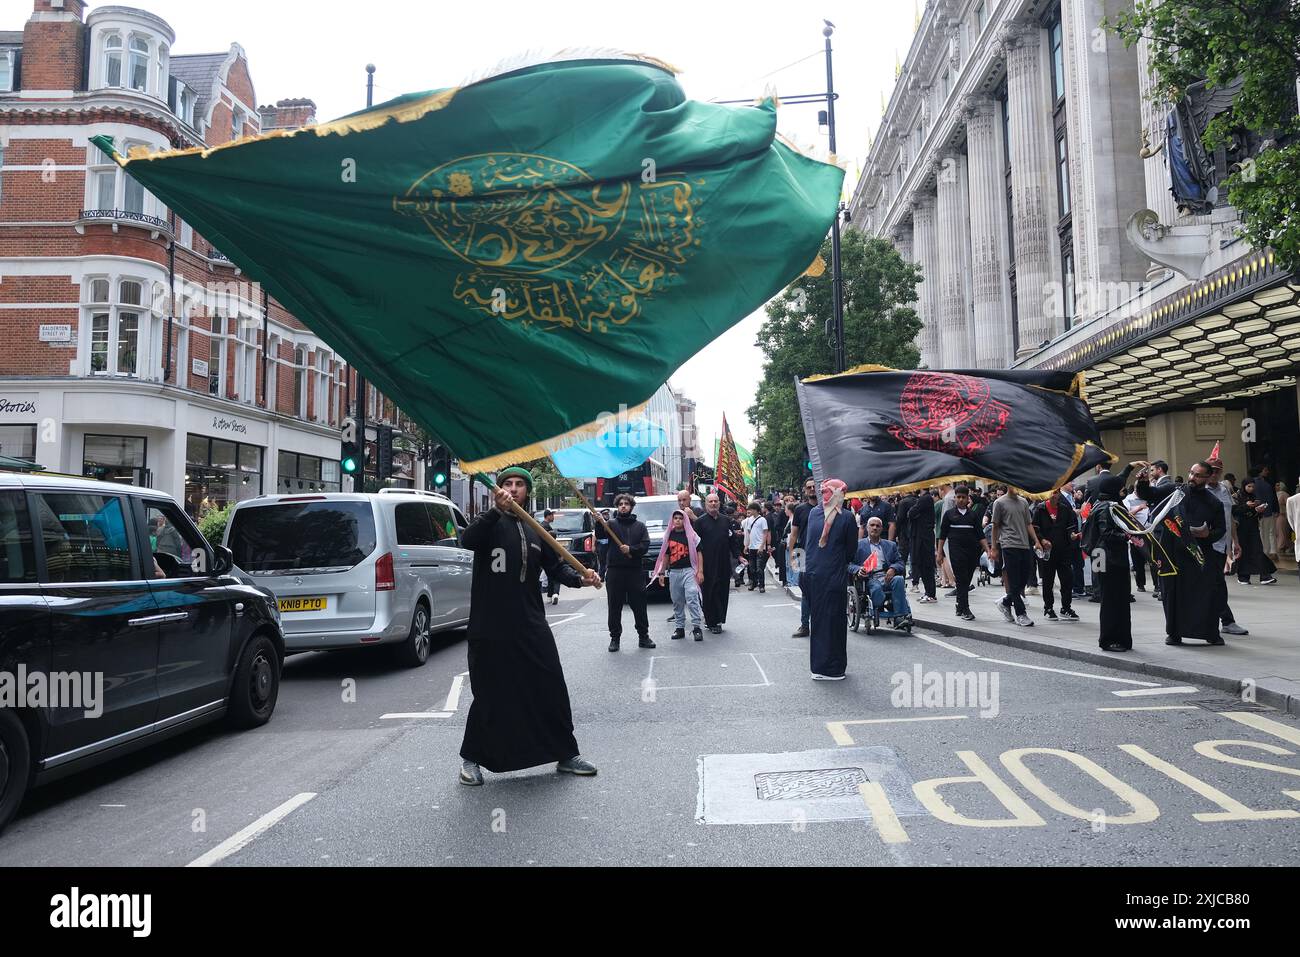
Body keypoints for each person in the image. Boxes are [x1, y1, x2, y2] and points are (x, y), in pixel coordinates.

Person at [458, 467, 602, 786]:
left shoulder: (536, 529)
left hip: (530, 620)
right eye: (507, 484)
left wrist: (582, 578)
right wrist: (495, 511)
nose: (513, 489)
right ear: (497, 491)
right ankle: (471, 759)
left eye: (519, 485)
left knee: (549, 682)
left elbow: (556, 568)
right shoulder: (490, 523)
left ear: (528, 491)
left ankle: (566, 753)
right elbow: (468, 540)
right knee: (491, 689)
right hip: (491, 622)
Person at [1136, 460, 1227, 646]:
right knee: (1172, 593)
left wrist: (1207, 534)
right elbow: (1148, 494)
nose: (1192, 477)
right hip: (1172, 551)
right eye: (1191, 473)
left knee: (1206, 593)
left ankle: (1209, 632)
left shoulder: (1213, 502)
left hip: (1198, 553)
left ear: (1208, 477)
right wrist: (1143, 481)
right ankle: (1174, 632)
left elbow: (1220, 529)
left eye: (1198, 475)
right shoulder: (1175, 491)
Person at [802, 478, 860, 680]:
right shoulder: (829, 515)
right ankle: (826, 668)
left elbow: (850, 551)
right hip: (824, 576)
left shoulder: (829, 515)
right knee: (826, 621)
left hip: (824, 575)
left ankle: (826, 668)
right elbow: (850, 550)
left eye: (825, 490)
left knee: (826, 621)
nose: (823, 493)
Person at [1081, 473, 1134, 651]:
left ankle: (1120, 638)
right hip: (1109, 558)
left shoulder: (1102, 504)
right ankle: (1110, 639)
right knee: (1113, 599)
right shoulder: (1107, 507)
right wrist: (1127, 535)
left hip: (1102, 556)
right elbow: (1107, 533)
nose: (1123, 491)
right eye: (1120, 488)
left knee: (1111, 597)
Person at [990, 485, 1044, 627]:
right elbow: (995, 526)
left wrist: (1036, 541)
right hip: (1008, 544)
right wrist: (994, 547)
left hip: (1024, 545)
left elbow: (1028, 524)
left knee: (1024, 579)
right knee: (1014, 581)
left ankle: (1005, 602)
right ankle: (1021, 614)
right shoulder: (999, 502)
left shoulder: (1024, 502)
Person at [1206, 462, 1249, 636]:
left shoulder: (1224, 490)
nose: (1215, 474)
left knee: (1215, 583)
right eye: (1212, 471)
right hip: (1205, 545)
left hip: (1222, 545)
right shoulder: (1197, 492)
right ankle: (1226, 620)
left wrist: (1235, 542)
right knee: (1216, 584)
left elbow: (1229, 517)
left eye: (1218, 471)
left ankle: (1222, 621)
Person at [604, 494, 652, 652]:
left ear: (631, 506)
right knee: (614, 606)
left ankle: (643, 636)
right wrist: (598, 521)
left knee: (639, 605)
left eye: (626, 504)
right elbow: (600, 534)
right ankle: (615, 638)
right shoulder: (610, 524)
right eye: (620, 504)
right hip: (615, 570)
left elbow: (645, 545)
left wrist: (631, 549)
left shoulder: (640, 526)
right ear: (617, 507)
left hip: (634, 571)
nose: (623, 506)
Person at [652, 509, 704, 641]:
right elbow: (666, 555)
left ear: (685, 519)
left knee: (692, 597)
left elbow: (699, 553)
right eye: (675, 518)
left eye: (681, 518)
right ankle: (679, 628)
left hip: (689, 570)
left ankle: (697, 627)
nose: (678, 520)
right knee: (677, 600)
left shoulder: (692, 535)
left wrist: (700, 571)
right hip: (674, 572)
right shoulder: (669, 535)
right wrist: (662, 573)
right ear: (672, 520)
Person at [1030, 487, 1081, 622]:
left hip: (1063, 550)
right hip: (1048, 552)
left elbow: (1070, 527)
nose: (1054, 496)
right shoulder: (1040, 509)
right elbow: (1034, 527)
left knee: (1067, 579)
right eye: (1051, 493)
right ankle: (1048, 608)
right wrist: (1041, 539)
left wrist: (1073, 536)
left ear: (1059, 494)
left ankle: (1066, 608)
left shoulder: (1064, 509)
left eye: (1056, 493)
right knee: (1048, 581)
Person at [936, 485, 985, 621]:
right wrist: (939, 553)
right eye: (959, 497)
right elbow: (942, 535)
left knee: (966, 579)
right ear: (955, 498)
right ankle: (965, 609)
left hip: (972, 552)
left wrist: (988, 550)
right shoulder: (949, 514)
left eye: (964, 497)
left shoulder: (973, 515)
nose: (961, 500)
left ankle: (959, 605)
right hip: (956, 552)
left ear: (968, 498)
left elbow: (980, 535)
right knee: (962, 579)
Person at [854, 515, 911, 627]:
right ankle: (879, 604)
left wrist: (893, 569)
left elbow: (900, 563)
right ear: (867, 528)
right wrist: (858, 570)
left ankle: (899, 617)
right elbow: (849, 564)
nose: (875, 528)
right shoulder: (858, 545)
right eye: (872, 525)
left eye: (878, 526)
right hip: (870, 578)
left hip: (886, 576)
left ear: (882, 529)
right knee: (876, 588)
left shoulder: (890, 545)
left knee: (899, 579)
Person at [696, 493, 739, 634]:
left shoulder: (726, 520)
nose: (713, 504)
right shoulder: (700, 522)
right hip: (707, 563)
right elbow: (696, 545)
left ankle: (719, 619)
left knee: (722, 591)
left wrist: (738, 556)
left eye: (715, 501)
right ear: (706, 504)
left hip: (723, 562)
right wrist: (699, 568)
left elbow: (732, 540)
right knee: (709, 592)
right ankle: (711, 621)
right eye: (710, 502)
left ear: (719, 503)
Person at [1234, 478, 1278, 585]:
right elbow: (1233, 510)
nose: (1251, 488)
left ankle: (1265, 576)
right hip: (1240, 528)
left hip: (1253, 527)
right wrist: (1246, 506)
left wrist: (1258, 510)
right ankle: (1243, 576)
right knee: (1243, 551)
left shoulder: (1254, 497)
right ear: (1244, 486)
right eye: (1249, 486)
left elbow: (1255, 514)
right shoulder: (1236, 496)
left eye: (1253, 486)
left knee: (1257, 549)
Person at [788, 479, 817, 637]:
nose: (812, 489)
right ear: (805, 490)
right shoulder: (800, 510)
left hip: (824, 555)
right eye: (809, 487)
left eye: (814, 486)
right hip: (805, 554)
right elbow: (794, 535)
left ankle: (821, 625)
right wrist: (792, 556)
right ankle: (805, 625)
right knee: (806, 590)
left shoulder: (827, 507)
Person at [906, 488, 938, 603]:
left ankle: (931, 594)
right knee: (922, 565)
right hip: (921, 536)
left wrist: (912, 512)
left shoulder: (925, 498)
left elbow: (911, 513)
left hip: (924, 538)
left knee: (926, 565)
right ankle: (928, 592)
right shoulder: (924, 499)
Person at [1123, 486, 1153, 593]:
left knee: (1153, 560)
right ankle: (1140, 584)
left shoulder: (1148, 497)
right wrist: (1139, 508)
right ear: (1135, 489)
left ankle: (1157, 586)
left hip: (1150, 532)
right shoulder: (1128, 499)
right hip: (1136, 534)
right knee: (1138, 562)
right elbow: (1126, 515)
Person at [1252, 465, 1279, 559]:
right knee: (1271, 531)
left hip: (1258, 510)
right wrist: (1276, 509)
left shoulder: (1252, 482)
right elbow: (1274, 497)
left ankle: (1264, 551)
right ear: (1260, 471)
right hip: (1269, 509)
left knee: (1262, 532)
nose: (1267, 472)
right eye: (1265, 470)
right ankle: (1273, 551)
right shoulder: (1269, 483)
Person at [743, 501, 769, 592]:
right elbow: (749, 533)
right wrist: (747, 545)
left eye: (751, 509)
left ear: (755, 510)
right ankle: (753, 583)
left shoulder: (762, 520)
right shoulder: (749, 520)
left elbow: (765, 533)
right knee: (752, 568)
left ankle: (761, 585)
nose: (750, 511)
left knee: (759, 568)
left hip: (759, 547)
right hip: (751, 547)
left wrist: (762, 545)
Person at [539, 509, 561, 605]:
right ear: (548, 516)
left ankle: (549, 595)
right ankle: (555, 594)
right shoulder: (546, 527)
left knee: (550, 575)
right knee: (556, 575)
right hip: (550, 554)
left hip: (543, 556)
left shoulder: (541, 526)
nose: (553, 517)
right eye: (552, 515)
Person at [769, 493, 791, 587]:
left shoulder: (796, 511)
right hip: (784, 539)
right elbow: (777, 526)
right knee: (784, 560)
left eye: (792, 500)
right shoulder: (783, 513)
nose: (790, 502)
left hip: (794, 538)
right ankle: (785, 579)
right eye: (787, 500)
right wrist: (786, 532)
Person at [595, 509, 612, 580]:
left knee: (608, 561)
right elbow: (595, 534)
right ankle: (601, 576)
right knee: (602, 561)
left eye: (607, 514)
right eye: (604, 514)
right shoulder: (599, 522)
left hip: (608, 543)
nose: (606, 515)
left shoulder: (609, 522)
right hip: (601, 544)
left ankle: (607, 575)